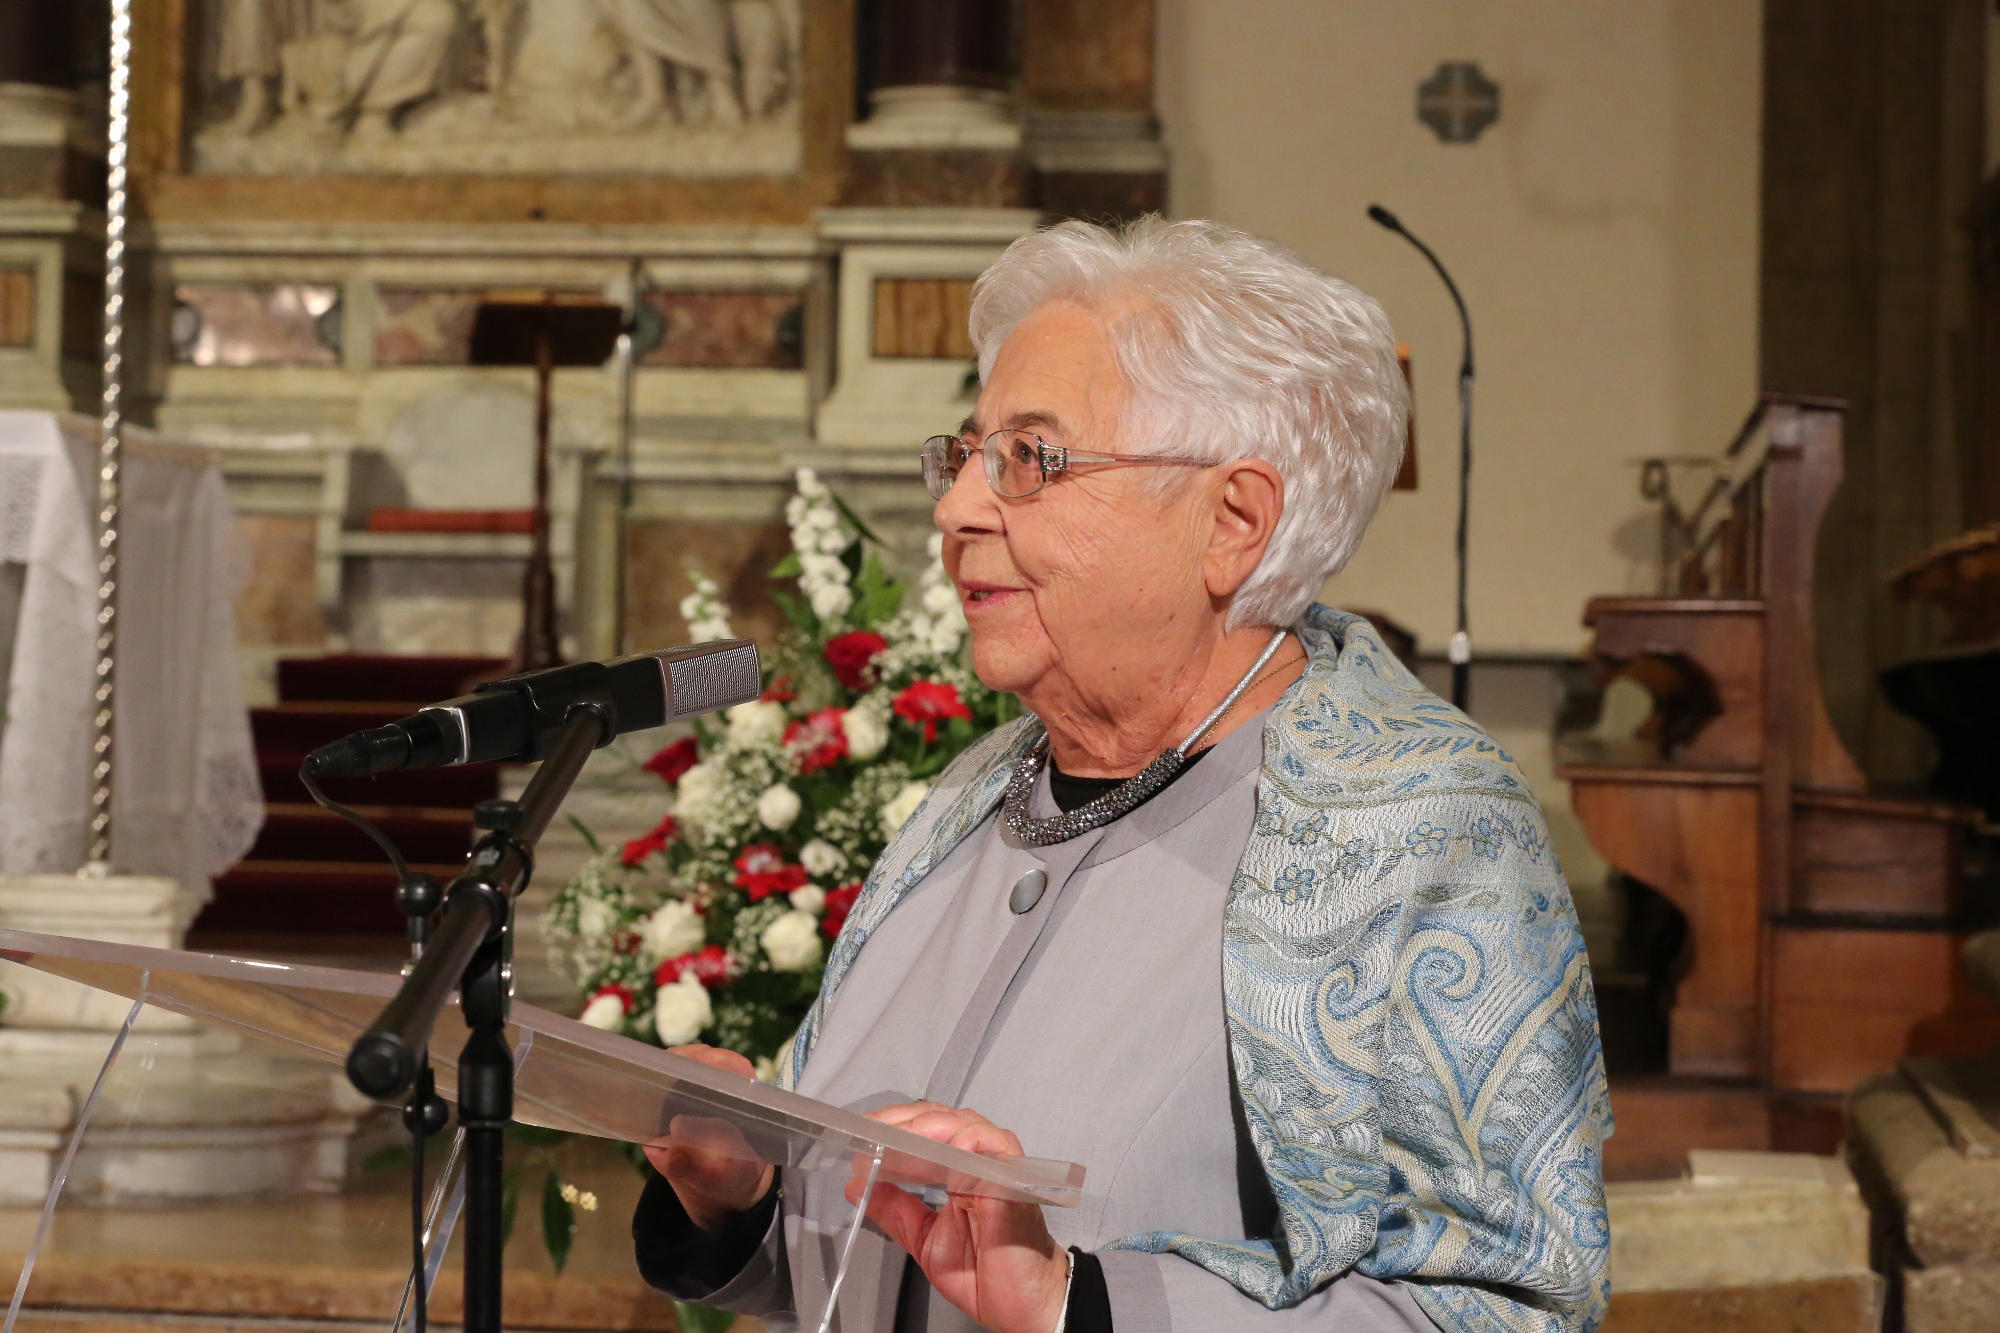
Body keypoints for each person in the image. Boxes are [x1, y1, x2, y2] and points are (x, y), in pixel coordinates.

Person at [633, 217, 1612, 1333]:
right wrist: (743, 1198)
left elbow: (1512, 1306)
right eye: (967, 455)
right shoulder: (970, 796)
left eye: (1030, 460)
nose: (955, 509)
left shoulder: (1421, 826)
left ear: (1231, 522)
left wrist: (1075, 1305)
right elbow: (868, 1259)